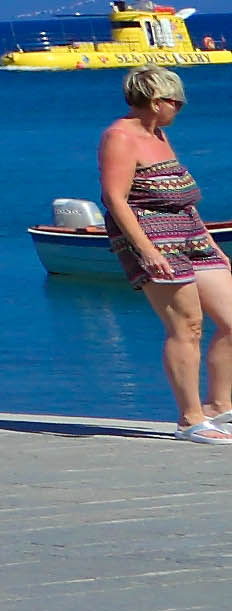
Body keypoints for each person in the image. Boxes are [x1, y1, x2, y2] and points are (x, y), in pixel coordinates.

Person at [103, 67, 231, 439]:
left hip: (191, 235)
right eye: (177, 102)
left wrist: (212, 244)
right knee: (186, 326)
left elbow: (181, 195)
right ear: (157, 101)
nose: (180, 109)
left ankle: (220, 406)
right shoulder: (120, 136)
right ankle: (190, 418)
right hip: (153, 239)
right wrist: (146, 250)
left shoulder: (158, 134)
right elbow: (114, 198)